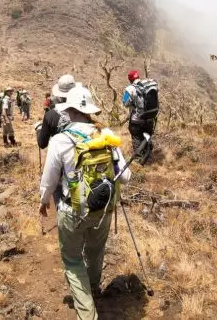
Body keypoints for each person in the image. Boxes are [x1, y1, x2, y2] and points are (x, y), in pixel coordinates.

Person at [39, 86, 132, 320]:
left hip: (73, 210)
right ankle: (93, 288)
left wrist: (43, 202)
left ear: (69, 111)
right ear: (88, 110)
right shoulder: (106, 135)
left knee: (72, 259)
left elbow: (49, 179)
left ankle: (87, 312)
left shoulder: (61, 140)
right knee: (95, 250)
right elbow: (126, 176)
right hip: (104, 209)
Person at [122, 70, 157, 165]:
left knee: (137, 138)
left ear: (130, 79)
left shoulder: (130, 89)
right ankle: (148, 155)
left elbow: (125, 103)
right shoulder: (149, 84)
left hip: (137, 120)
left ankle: (139, 161)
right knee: (146, 136)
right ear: (138, 77)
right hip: (150, 118)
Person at [36, 75, 79, 150]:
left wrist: (39, 129)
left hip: (59, 154)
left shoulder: (50, 115)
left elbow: (42, 144)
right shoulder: (83, 111)